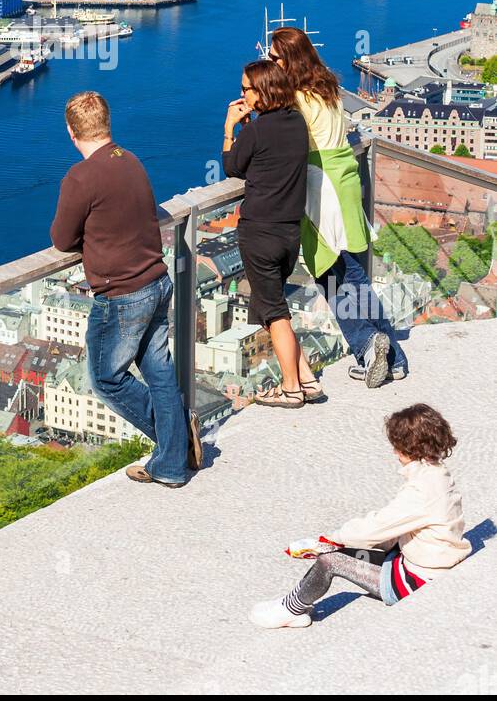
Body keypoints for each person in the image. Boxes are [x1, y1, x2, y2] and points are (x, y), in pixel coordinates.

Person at [50, 90, 200, 487]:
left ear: (71, 131)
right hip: (157, 280)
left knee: (106, 378)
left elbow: (62, 238)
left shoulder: (80, 177)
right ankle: (170, 462)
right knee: (160, 373)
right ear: (107, 123)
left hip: (121, 294)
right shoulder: (130, 160)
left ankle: (175, 442)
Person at [269, 26, 408, 387]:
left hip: (319, 187)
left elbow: (284, 143)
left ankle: (366, 344)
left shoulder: (296, 99)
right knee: (354, 275)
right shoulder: (328, 88)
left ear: (289, 59)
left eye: (274, 57)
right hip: (345, 177)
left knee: (332, 275)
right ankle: (393, 355)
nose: (270, 62)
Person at [251, 404, 470, 628]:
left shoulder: (421, 489)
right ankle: (294, 602)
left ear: (408, 448)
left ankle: (290, 610)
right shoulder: (437, 474)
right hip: (425, 560)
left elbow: (376, 526)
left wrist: (333, 539)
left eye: (397, 446)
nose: (394, 452)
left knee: (330, 559)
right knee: (345, 549)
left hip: (416, 579)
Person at [223, 59, 316, 410]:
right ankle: (306, 376)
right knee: (268, 305)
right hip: (290, 234)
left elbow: (233, 166)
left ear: (261, 90)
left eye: (246, 88)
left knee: (274, 311)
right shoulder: (296, 123)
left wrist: (231, 128)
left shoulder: (256, 131)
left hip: (259, 232)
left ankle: (291, 389)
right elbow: (269, 157)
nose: (242, 93)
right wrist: (250, 127)